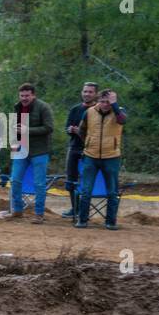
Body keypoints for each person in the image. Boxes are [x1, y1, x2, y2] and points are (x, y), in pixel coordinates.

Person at [75, 89, 126, 230]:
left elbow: (123, 121)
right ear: (98, 101)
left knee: (112, 192)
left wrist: (114, 105)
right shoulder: (89, 112)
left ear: (113, 102)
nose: (105, 104)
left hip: (112, 157)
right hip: (90, 156)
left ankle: (110, 222)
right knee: (86, 190)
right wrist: (88, 142)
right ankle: (82, 220)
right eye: (102, 101)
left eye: (108, 102)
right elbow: (81, 130)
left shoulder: (118, 112)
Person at [7, 83, 54, 223]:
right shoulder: (17, 107)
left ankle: (39, 213)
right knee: (14, 180)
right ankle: (17, 210)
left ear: (33, 95)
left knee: (39, 183)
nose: (24, 98)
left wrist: (28, 131)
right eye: (22, 95)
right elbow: (14, 128)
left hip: (39, 151)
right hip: (21, 149)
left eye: (27, 95)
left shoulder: (43, 107)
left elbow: (49, 128)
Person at [62, 82, 99, 218]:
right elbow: (67, 127)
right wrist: (70, 130)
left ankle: (84, 210)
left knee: (87, 180)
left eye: (90, 92)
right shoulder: (75, 109)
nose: (87, 94)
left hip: (90, 149)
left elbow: (98, 132)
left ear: (95, 94)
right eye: (85, 91)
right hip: (74, 147)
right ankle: (75, 208)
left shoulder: (97, 110)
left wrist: (81, 132)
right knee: (71, 180)